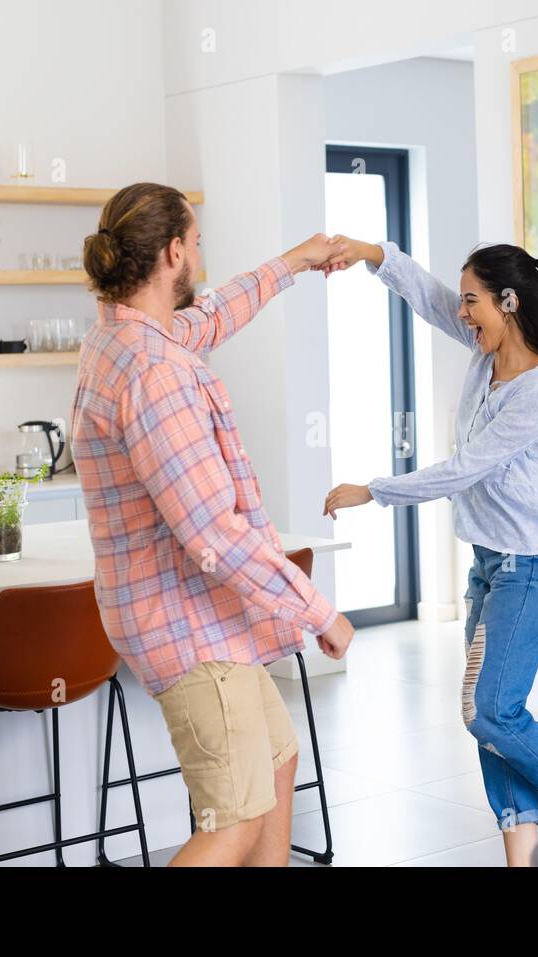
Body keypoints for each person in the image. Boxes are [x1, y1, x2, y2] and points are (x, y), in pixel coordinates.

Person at [318, 236, 538, 867]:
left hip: (531, 564)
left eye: (474, 302)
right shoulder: (485, 356)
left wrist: (371, 491)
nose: (463, 314)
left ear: (508, 302)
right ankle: (522, 858)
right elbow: (431, 300)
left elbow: (465, 471)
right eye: (464, 303)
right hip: (491, 564)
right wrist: (370, 254)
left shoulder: (535, 387)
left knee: (489, 713)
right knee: (491, 715)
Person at [71, 183, 355, 867]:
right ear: (173, 252)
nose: (202, 254)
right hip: (187, 626)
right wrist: (319, 610)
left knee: (279, 766)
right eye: (197, 242)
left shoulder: (126, 337)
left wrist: (296, 260)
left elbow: (216, 314)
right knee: (233, 819)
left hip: (204, 618)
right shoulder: (154, 372)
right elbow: (212, 533)